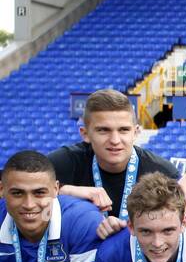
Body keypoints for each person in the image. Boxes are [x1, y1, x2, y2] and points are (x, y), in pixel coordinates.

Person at [48, 88, 179, 240]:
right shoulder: (62, 163)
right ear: (85, 134)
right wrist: (66, 191)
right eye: (103, 130)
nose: (115, 140)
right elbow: (19, 196)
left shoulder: (163, 173)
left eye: (123, 130)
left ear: (136, 132)